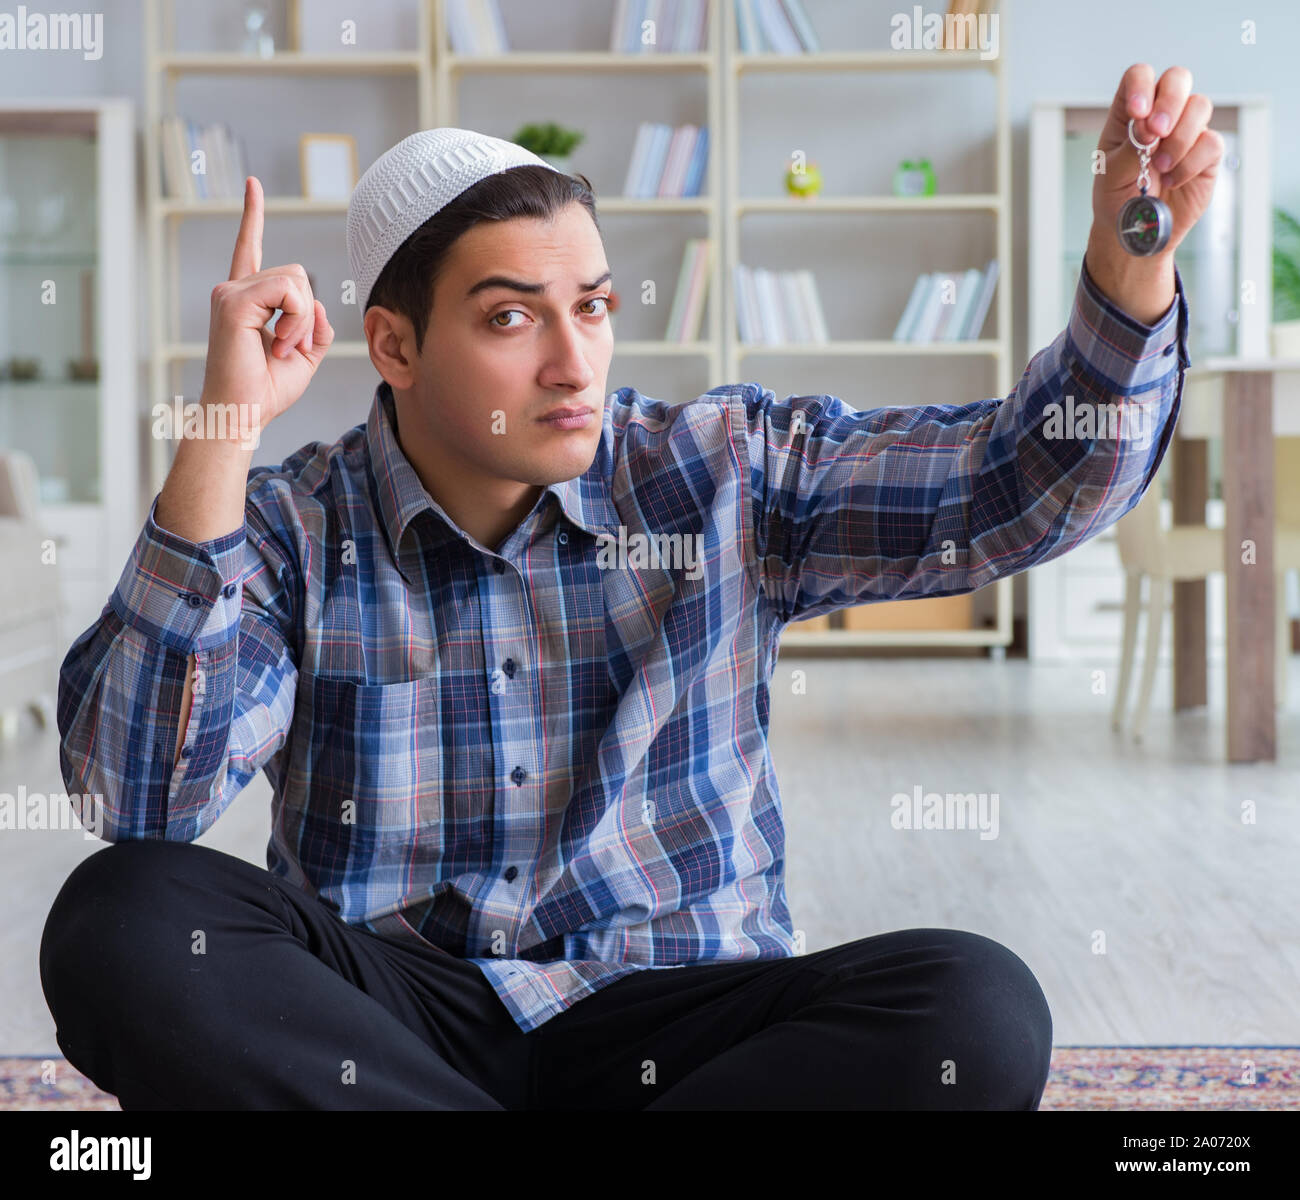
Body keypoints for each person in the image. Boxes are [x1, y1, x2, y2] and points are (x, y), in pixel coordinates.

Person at [40, 63, 1220, 1110]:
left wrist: (1127, 279)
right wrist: (223, 430)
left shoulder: (722, 472)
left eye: (592, 308)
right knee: (124, 924)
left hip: (679, 1016)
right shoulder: (295, 523)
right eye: (511, 317)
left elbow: (1022, 486)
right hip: (395, 1022)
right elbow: (138, 799)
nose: (573, 362)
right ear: (393, 347)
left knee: (974, 1006)